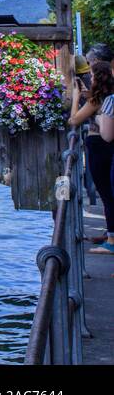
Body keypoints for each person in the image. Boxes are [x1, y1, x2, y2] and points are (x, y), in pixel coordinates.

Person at [71, 60, 114, 254]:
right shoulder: (106, 98)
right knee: (108, 193)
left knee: (106, 195)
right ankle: (110, 233)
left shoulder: (96, 101)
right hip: (105, 148)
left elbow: (74, 120)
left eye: (92, 75)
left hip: (98, 147)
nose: (89, 78)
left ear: (97, 78)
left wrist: (75, 97)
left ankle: (111, 240)